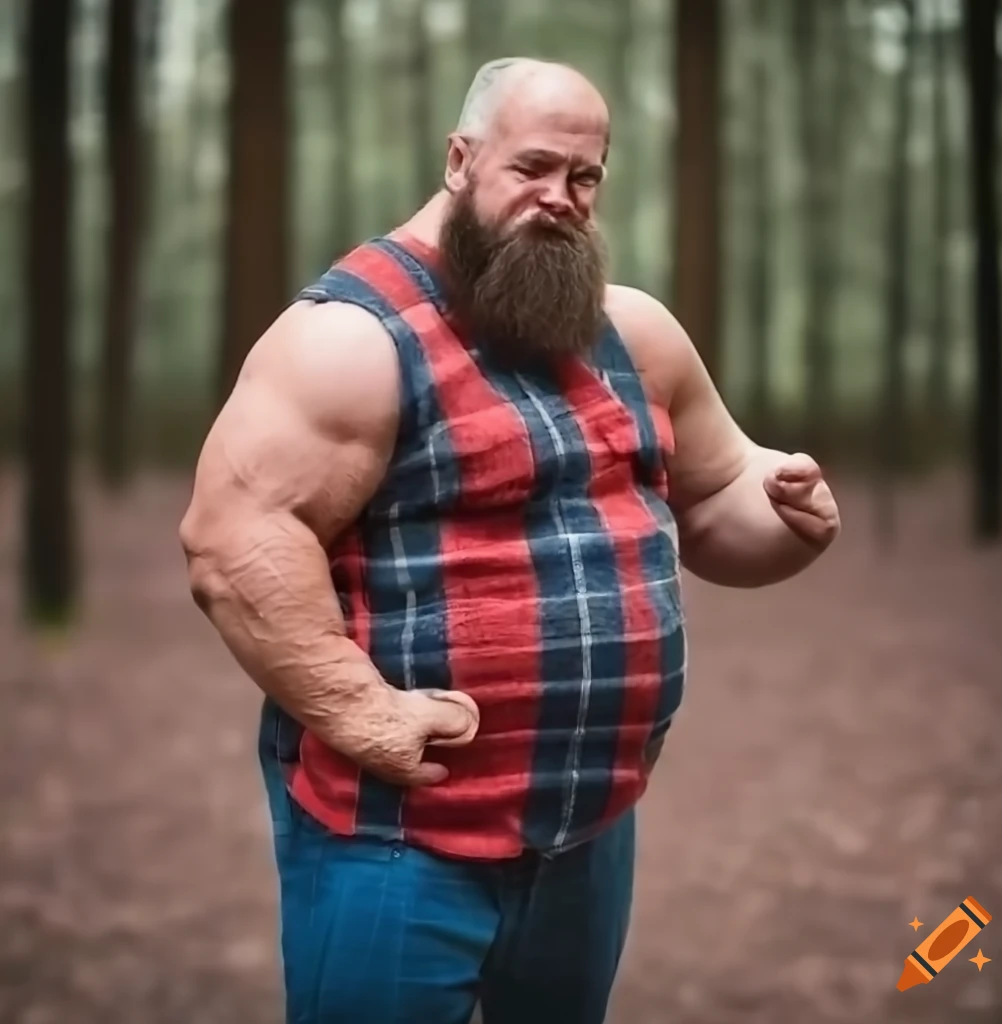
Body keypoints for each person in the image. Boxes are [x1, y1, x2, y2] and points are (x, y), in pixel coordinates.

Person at [179, 57, 840, 1024]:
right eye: (531, 168)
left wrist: (787, 520)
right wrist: (362, 712)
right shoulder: (351, 340)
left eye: (584, 177)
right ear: (459, 159)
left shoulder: (633, 334)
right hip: (396, 837)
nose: (559, 199)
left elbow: (716, 498)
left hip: (586, 831)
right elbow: (234, 544)